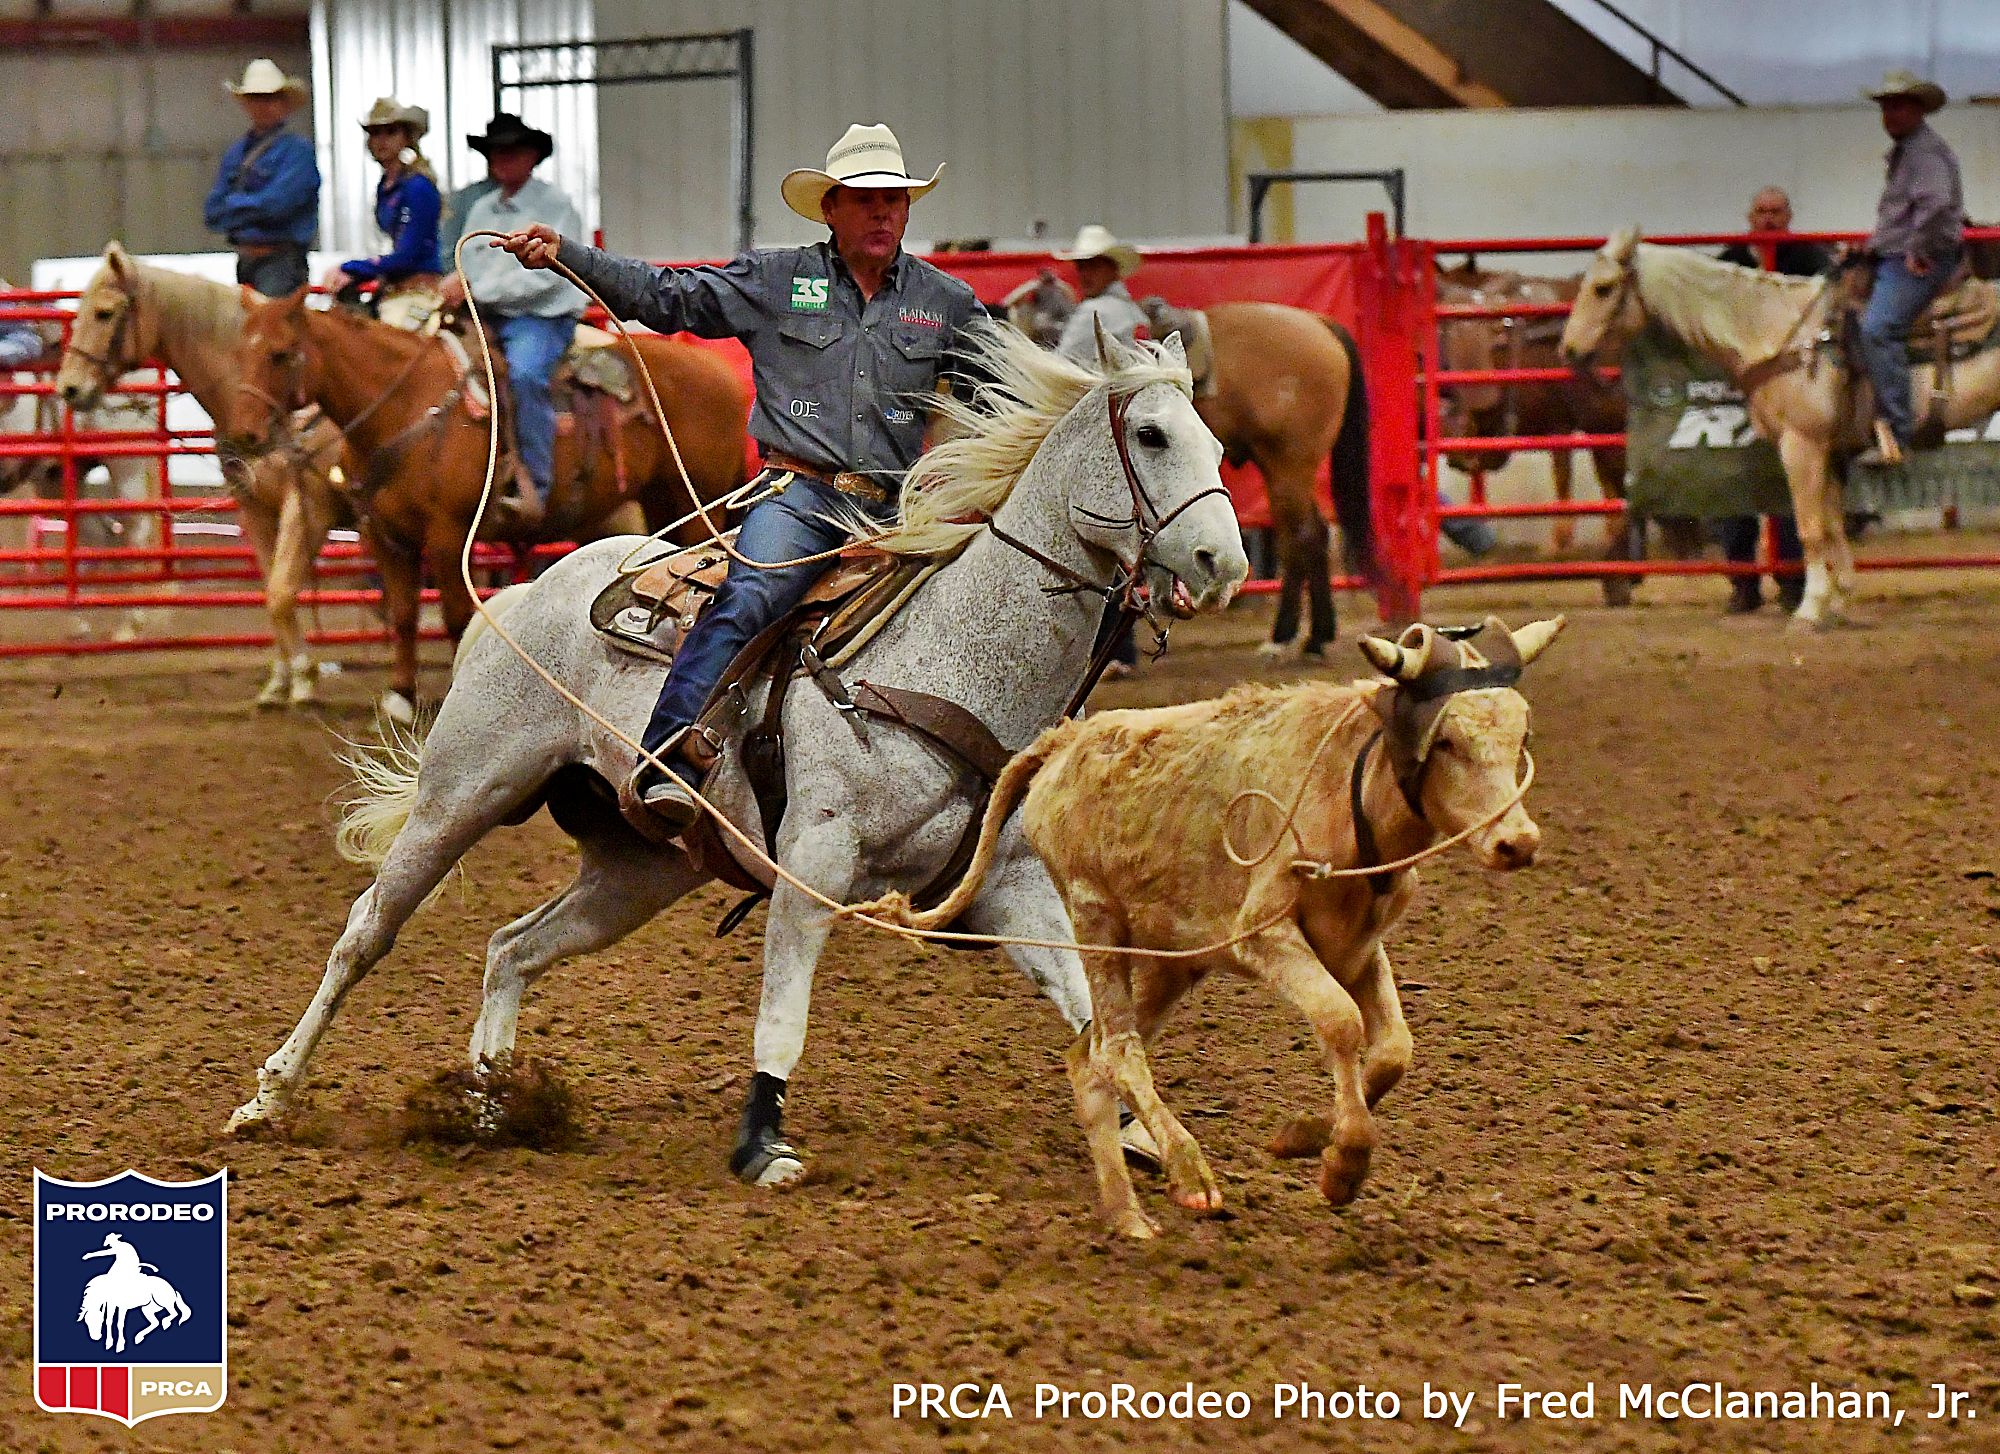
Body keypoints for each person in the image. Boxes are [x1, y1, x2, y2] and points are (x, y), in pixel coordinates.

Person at [494, 122, 985, 831]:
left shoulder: (946, 304)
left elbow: (1010, 391)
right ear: (832, 208)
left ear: (907, 211)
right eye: (866, 199)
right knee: (753, 590)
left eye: (895, 200)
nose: (883, 213)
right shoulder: (780, 279)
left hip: (899, 507)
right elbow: (665, 297)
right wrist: (572, 258)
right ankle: (666, 757)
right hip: (803, 497)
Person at [441, 114, 585, 526]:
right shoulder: (484, 208)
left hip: (539, 317)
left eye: (511, 151)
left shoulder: (554, 207)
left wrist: (473, 289)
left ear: (531, 157)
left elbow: (542, 275)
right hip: (486, 314)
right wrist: (456, 281)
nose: (501, 159)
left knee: (525, 376)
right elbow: (466, 259)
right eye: (495, 152)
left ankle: (534, 487)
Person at [1714, 185, 1826, 612]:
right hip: (1744, 390)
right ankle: (1743, 582)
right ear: (1749, 216)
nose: (1768, 220)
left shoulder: (1808, 258)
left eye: (1776, 212)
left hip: (1791, 393)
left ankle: (1793, 580)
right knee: (1737, 485)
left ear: (1789, 215)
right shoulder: (1731, 263)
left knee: (1790, 482)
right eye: (1761, 211)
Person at [1854, 69, 1964, 465]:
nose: (1890, 115)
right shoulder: (1909, 151)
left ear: (1918, 110)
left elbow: (1936, 204)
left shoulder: (1923, 153)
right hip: (1897, 254)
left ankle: (1896, 433)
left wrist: (1919, 247)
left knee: (1879, 329)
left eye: (1898, 107)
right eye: (1886, 108)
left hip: (1918, 258)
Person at [324, 98, 443, 330]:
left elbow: (407, 254)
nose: (381, 141)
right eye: (374, 133)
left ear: (406, 138)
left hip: (418, 290)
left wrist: (351, 268)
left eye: (390, 132)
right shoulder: (386, 186)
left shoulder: (418, 187)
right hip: (392, 286)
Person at [204, 59, 320, 297]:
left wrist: (235, 206)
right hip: (247, 261)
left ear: (284, 103)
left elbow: (278, 205)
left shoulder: (298, 151)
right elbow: (212, 212)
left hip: (282, 262)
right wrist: (256, 206)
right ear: (246, 104)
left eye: (270, 98)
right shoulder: (236, 153)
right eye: (256, 98)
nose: (263, 106)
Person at [1053, 225, 1150, 366]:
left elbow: (1062, 364)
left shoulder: (1093, 311)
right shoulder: (1133, 310)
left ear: (1113, 269)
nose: (1085, 274)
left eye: (1093, 266)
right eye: (1081, 267)